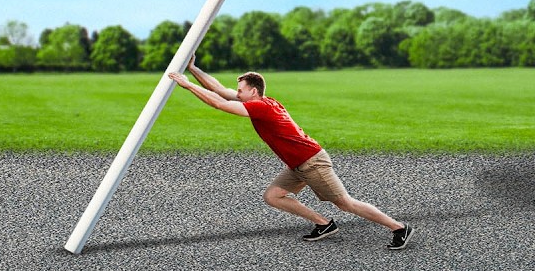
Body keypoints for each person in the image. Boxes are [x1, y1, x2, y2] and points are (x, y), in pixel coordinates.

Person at [168, 64, 413, 251]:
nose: (238, 94)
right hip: (299, 164)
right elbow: (220, 90)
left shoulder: (260, 107)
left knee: (345, 203)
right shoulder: (264, 101)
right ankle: (323, 223)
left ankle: (399, 228)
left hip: (312, 162)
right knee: (273, 196)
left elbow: (220, 104)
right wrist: (193, 68)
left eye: (241, 91)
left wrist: (187, 85)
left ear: (253, 91)